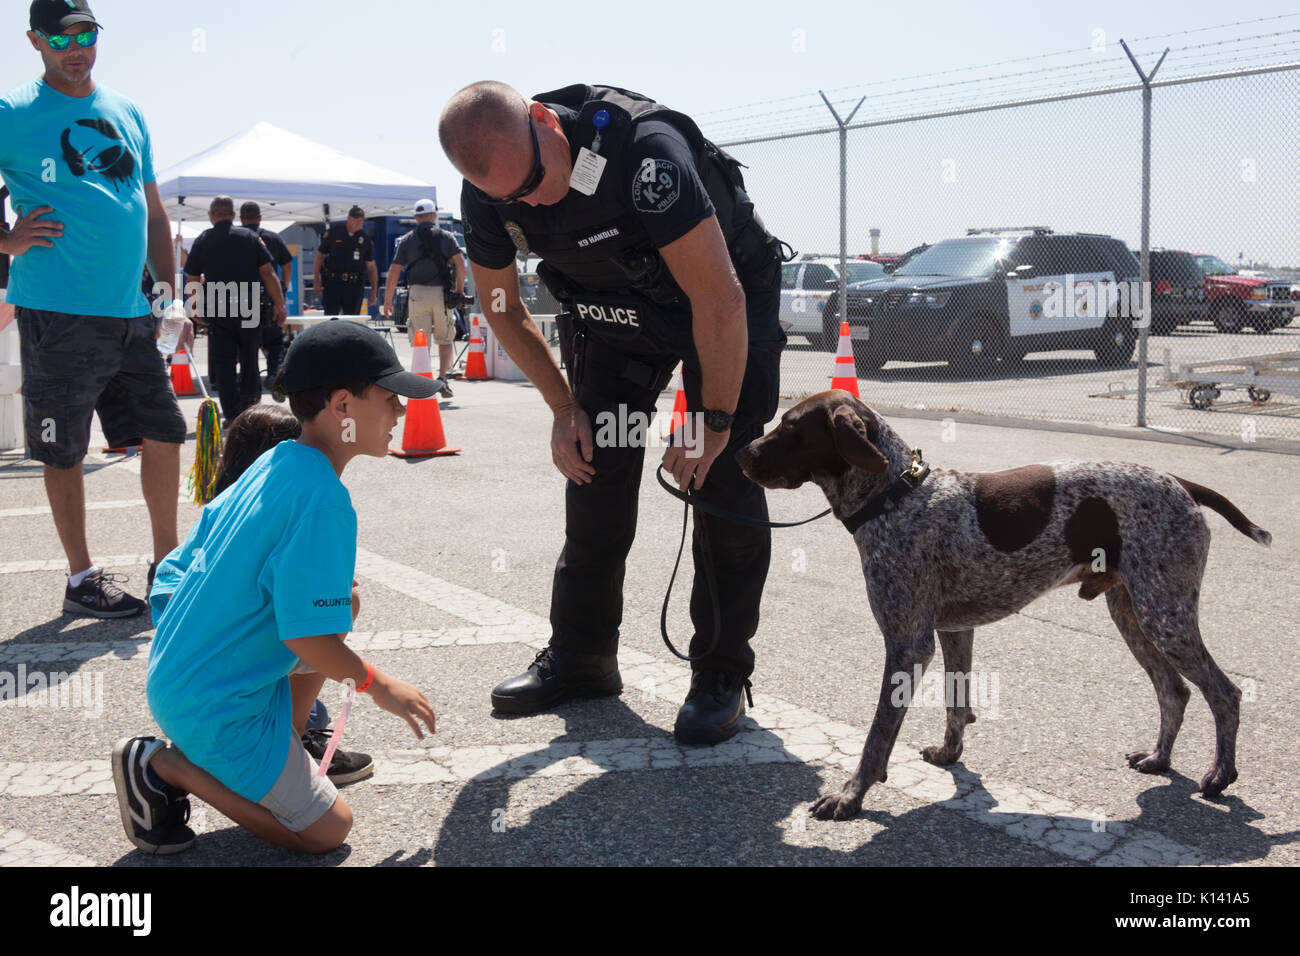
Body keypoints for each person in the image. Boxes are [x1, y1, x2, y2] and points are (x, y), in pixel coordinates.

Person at [439, 82, 788, 744]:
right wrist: (561, 406)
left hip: (717, 309)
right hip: (615, 318)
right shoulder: (489, 188)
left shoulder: (643, 154)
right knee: (592, 468)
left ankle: (721, 672)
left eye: (536, 181)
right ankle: (582, 657)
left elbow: (719, 297)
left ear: (545, 122)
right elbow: (503, 309)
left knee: (722, 481)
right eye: (511, 198)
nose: (532, 202)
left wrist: (713, 420)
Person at [112, 321, 439, 855]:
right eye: (390, 398)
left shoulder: (278, 459)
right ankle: (165, 765)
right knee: (327, 832)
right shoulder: (324, 499)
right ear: (342, 406)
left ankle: (277, 748)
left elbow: (178, 567)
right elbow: (310, 642)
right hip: (216, 706)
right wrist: (382, 686)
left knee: (342, 604)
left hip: (182, 675)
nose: (401, 412)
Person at [0, 0, 191, 617]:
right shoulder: (12, 112)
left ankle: (168, 564)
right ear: (35, 41)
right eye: (61, 38)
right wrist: (6, 240)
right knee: (64, 447)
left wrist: (172, 292)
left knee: (165, 430)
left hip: (131, 310)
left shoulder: (126, 108)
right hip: (56, 310)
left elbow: (155, 211)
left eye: (86, 34)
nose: (76, 48)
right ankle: (82, 578)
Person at [209, 402, 366, 770]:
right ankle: (290, 744)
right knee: (342, 603)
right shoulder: (296, 500)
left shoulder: (226, 509)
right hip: (236, 678)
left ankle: (290, 725)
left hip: (196, 679)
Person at [184, 195, 286, 424]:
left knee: (224, 363)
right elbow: (268, 272)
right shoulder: (250, 237)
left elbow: (192, 276)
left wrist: (195, 305)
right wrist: (279, 304)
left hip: (219, 310)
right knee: (250, 360)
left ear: (211, 216)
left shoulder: (204, 239)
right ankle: (250, 411)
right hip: (250, 308)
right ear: (233, 215)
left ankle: (231, 414)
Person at [383, 199, 464, 397]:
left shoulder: (407, 240)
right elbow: (460, 264)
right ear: (433, 214)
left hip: (417, 293)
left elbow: (394, 270)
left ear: (415, 217)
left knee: (421, 340)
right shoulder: (446, 237)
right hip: (441, 294)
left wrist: (387, 300)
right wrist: (459, 291)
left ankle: (422, 380)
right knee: (444, 338)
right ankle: (442, 378)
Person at [238, 201, 294, 384]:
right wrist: (283, 289)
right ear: (260, 218)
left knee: (246, 341)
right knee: (274, 339)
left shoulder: (237, 238)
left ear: (240, 218)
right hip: (268, 297)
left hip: (242, 297)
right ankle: (272, 375)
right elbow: (287, 266)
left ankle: (248, 377)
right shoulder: (272, 238)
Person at [314, 205, 377, 316]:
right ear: (348, 219)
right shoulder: (334, 233)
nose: (359, 223)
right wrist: (316, 280)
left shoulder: (365, 239)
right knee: (331, 320)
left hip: (354, 285)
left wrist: (374, 290)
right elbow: (320, 257)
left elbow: (371, 267)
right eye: (355, 220)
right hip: (334, 283)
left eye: (361, 221)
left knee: (352, 321)